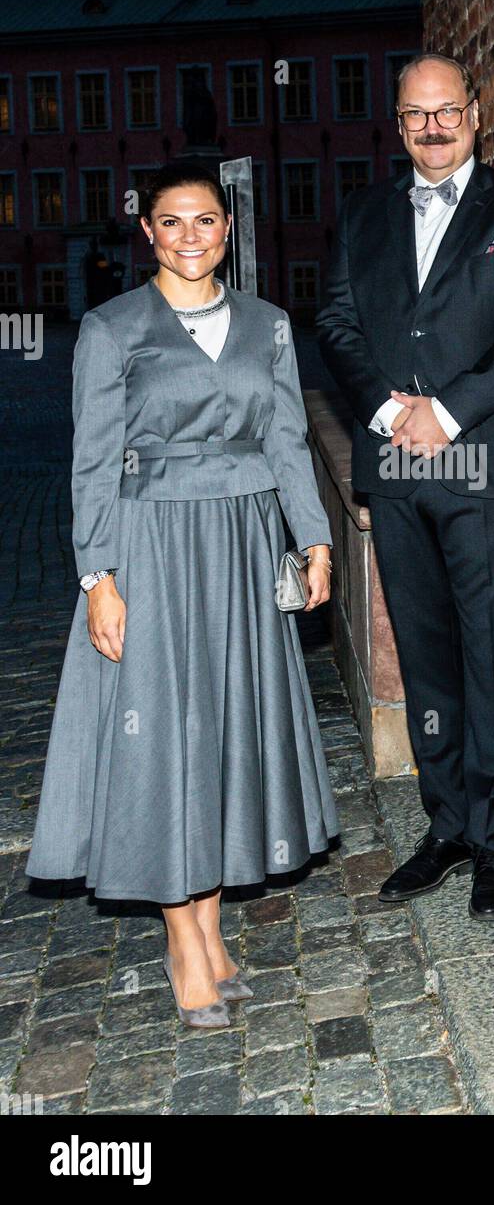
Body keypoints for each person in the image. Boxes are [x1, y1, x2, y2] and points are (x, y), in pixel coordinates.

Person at [26, 163, 338, 1025]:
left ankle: (210, 927)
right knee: (164, 734)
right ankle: (182, 943)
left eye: (207, 221)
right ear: (148, 233)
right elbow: (91, 462)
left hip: (241, 548)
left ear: (228, 231)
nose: (191, 236)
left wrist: (312, 539)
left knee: (222, 728)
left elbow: (286, 440)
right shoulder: (112, 327)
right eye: (173, 222)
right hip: (152, 547)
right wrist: (100, 578)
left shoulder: (270, 324)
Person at [318, 53, 494, 920]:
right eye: (416, 114)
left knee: (493, 658)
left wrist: (448, 414)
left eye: (447, 112)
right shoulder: (362, 213)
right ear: (397, 123)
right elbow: (338, 324)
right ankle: (448, 828)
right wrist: (389, 419)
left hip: (488, 467)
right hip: (397, 473)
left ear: (475, 116)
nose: (433, 126)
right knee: (426, 659)